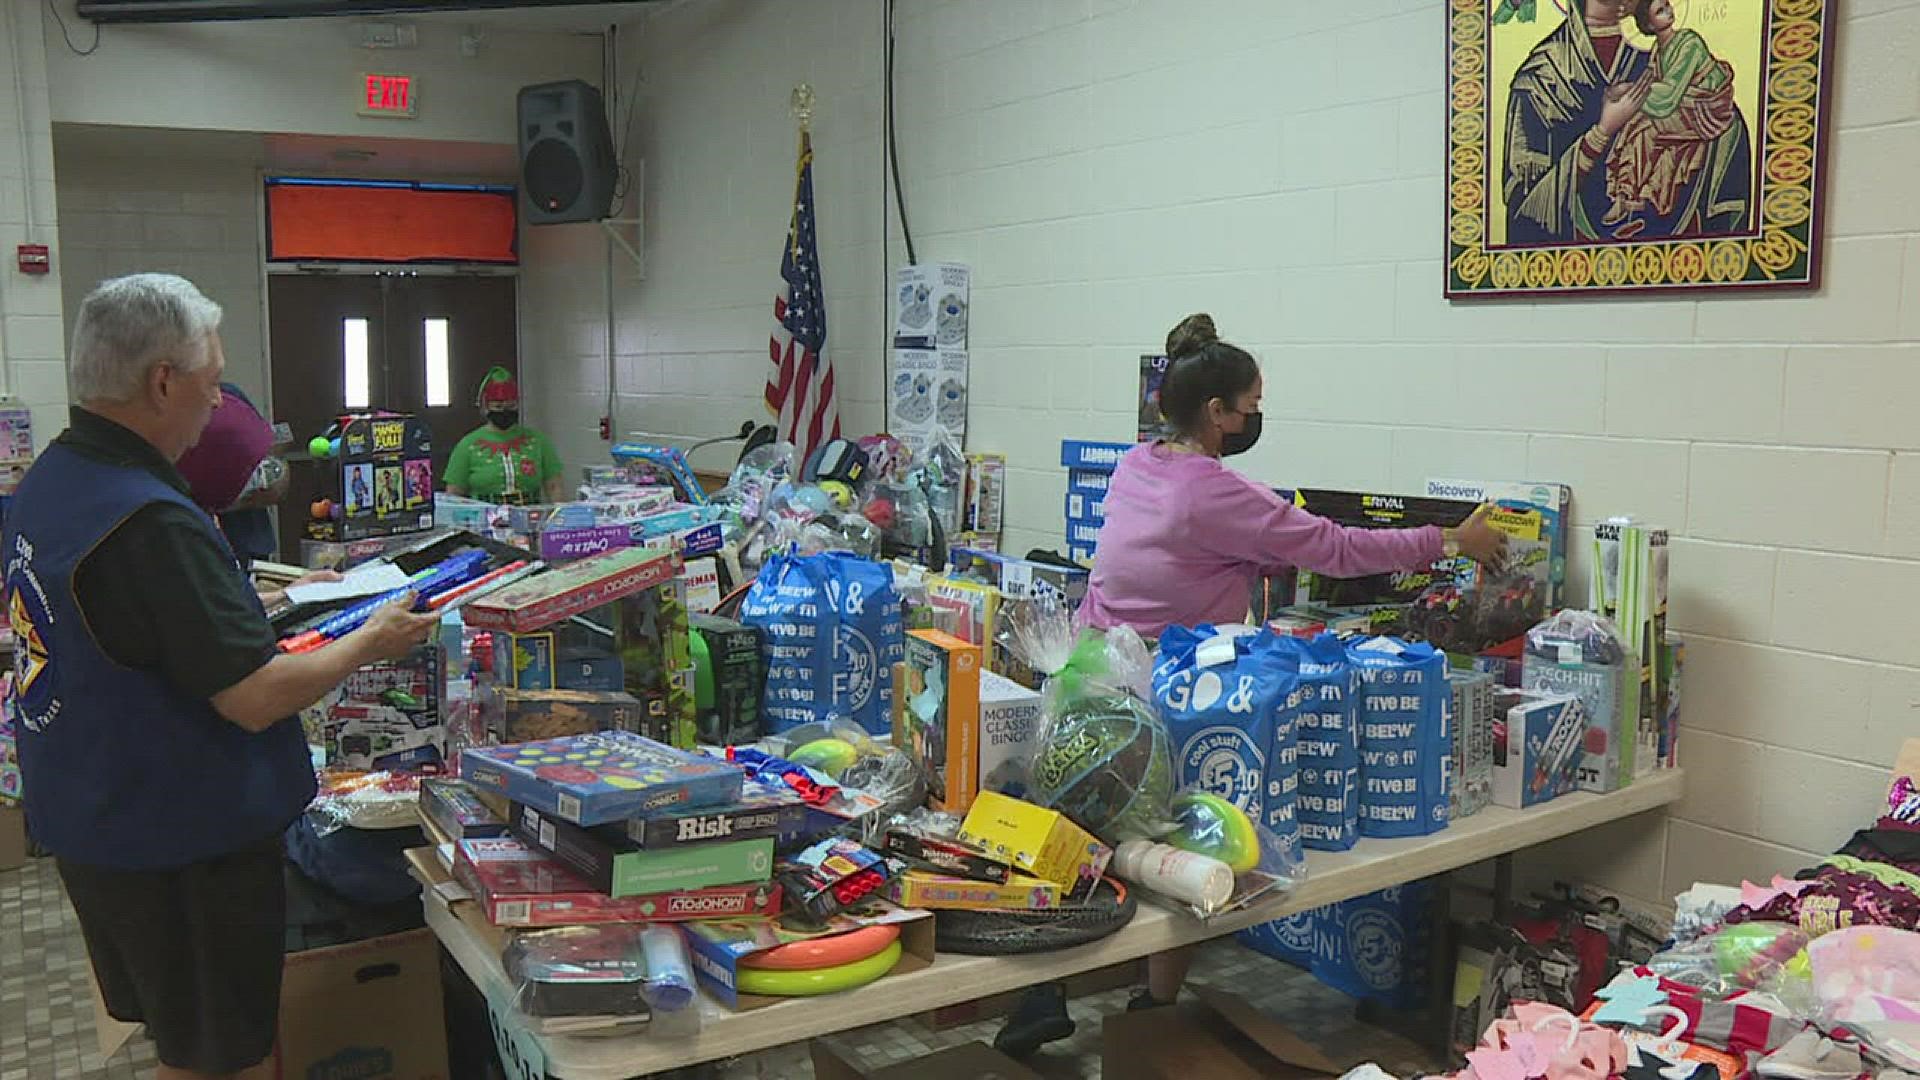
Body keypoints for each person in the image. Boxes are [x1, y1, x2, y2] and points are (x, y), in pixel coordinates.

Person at [995, 314, 1507, 1057]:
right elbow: (1334, 547)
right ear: (1216, 413)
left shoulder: (1139, 465)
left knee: (1080, 840)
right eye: (1251, 407)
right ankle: (1150, 1010)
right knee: (1188, 849)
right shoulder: (1215, 491)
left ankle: (1042, 993)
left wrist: (1251, 559)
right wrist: (1453, 539)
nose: (1256, 419)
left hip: (1086, 686)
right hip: (1167, 697)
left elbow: (1168, 559)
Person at [3, 273, 440, 1080]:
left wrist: (252, 605)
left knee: (183, 1039)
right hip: (180, 841)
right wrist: (369, 641)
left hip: (90, 815)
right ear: (160, 381)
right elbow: (253, 696)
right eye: (209, 387)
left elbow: (127, 630)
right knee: (220, 1057)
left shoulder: (53, 482)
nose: (214, 411)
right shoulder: (150, 519)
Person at [1501, 0, 1749, 244]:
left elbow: (1722, 119)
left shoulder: (1662, 53)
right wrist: (1602, 133)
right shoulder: (1540, 80)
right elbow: (1524, 211)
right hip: (1571, 267)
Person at [1601, 0, 1740, 238]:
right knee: (1633, 125)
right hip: (1684, 104)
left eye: (1666, 6)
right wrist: (1626, 93)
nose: (1669, 11)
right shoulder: (1659, 49)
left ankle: (1637, 197)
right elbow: (1653, 84)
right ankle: (1626, 197)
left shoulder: (1689, 43)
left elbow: (1669, 94)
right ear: (1649, 25)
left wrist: (1626, 90)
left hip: (1706, 106)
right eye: (1660, 10)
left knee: (1647, 128)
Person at [176, 383, 285, 565]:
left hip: (250, 546)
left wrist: (270, 478)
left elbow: (273, 456)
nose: (217, 399)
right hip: (203, 550)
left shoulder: (229, 396)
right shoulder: (170, 420)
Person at [442, 366, 565, 504]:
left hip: (531, 519)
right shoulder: (467, 445)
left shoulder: (538, 441)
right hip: (484, 520)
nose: (505, 411)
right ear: (486, 407)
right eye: (498, 407)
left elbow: (555, 487)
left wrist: (558, 520)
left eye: (511, 406)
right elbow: (453, 495)